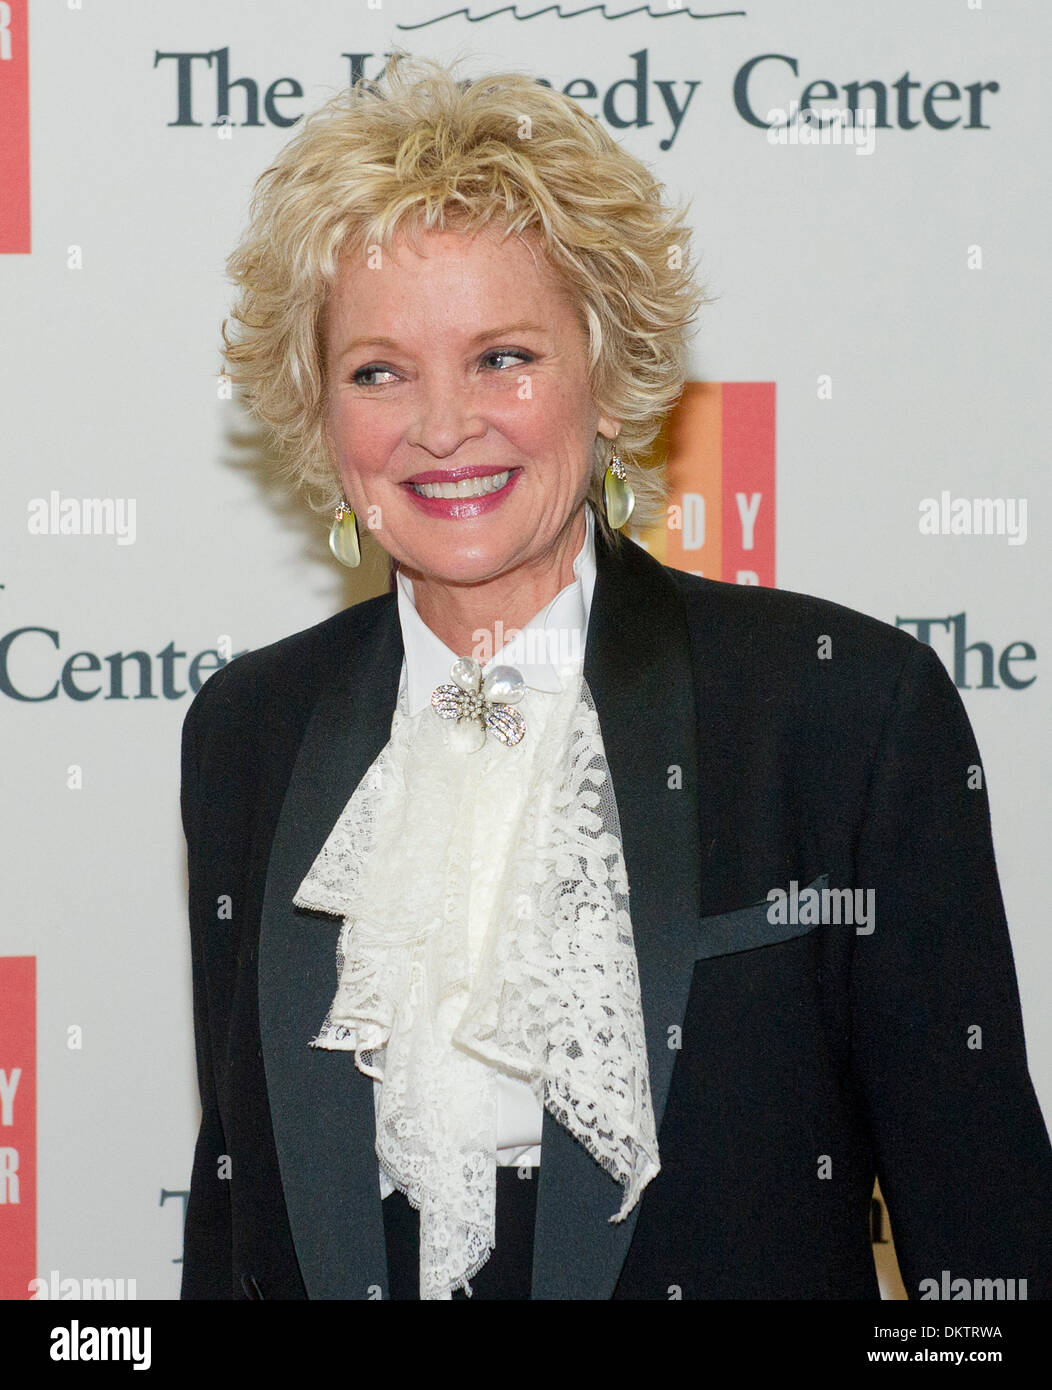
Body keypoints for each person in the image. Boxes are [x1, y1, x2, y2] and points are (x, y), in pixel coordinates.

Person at [179, 50, 1051, 1300]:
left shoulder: (840, 707)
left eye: (502, 357)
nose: (440, 425)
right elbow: (238, 1213)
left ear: (608, 371)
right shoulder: (246, 729)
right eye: (378, 370)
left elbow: (983, 1242)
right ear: (319, 413)